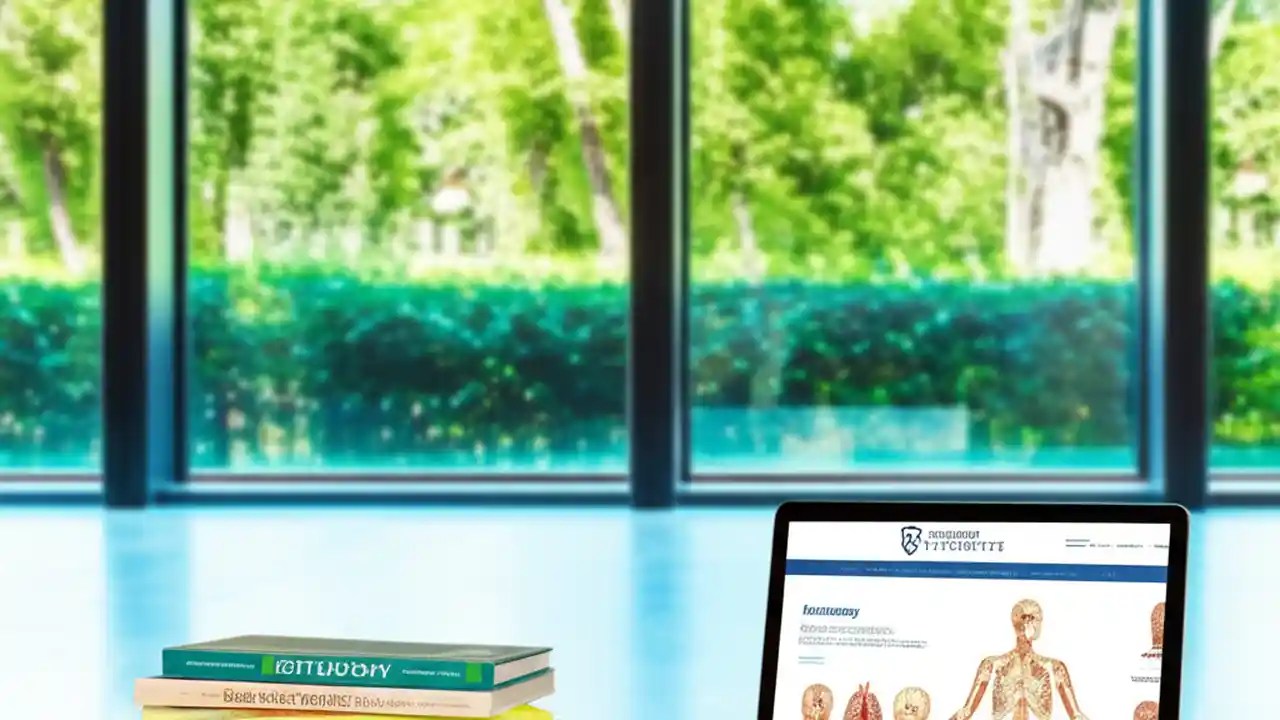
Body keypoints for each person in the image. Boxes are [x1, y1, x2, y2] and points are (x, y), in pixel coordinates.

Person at [948, 599, 1088, 720]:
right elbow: (966, 711)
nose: (1033, 624)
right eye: (1032, 619)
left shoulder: (1055, 667)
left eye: (1035, 619)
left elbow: (1076, 715)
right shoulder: (991, 665)